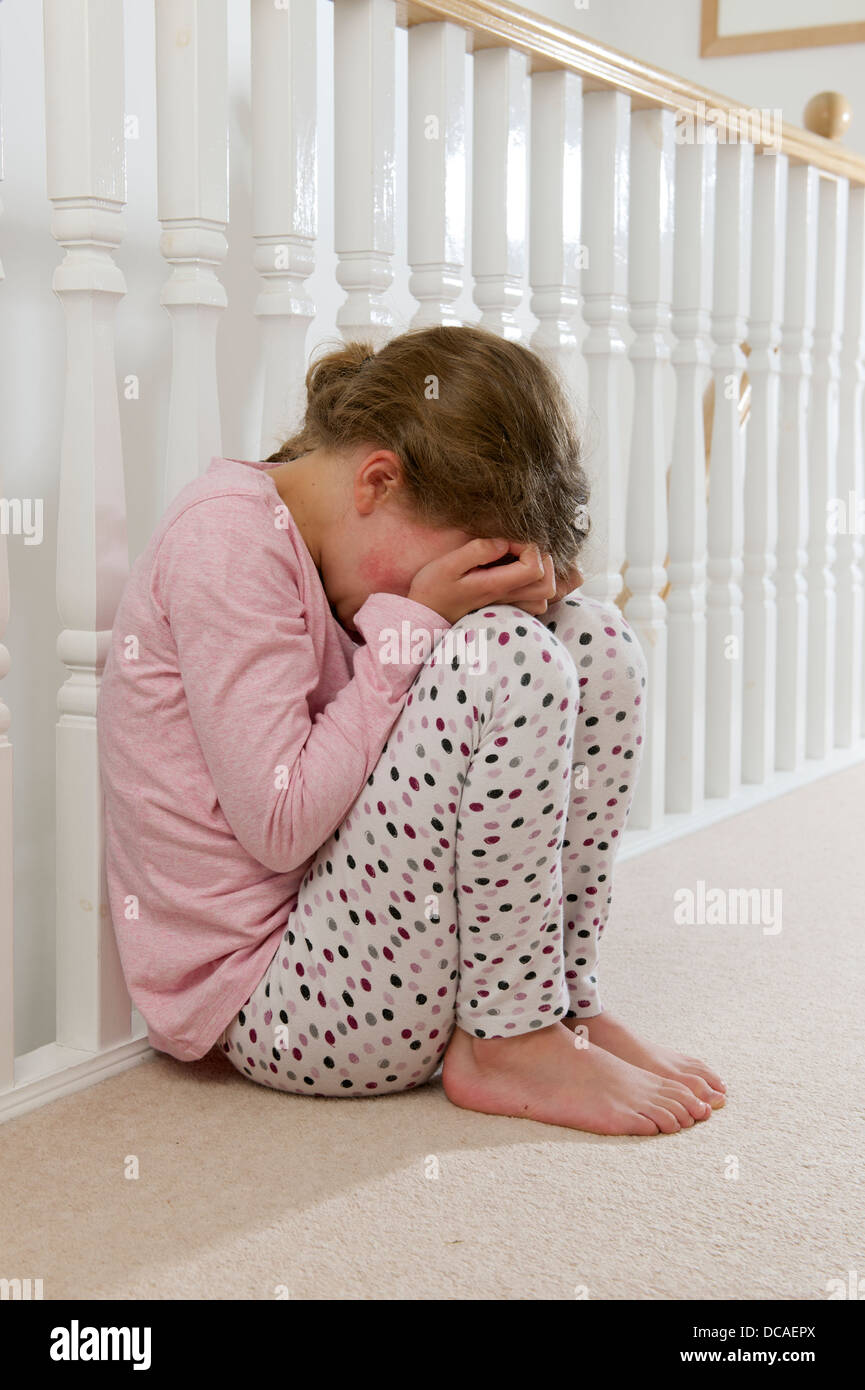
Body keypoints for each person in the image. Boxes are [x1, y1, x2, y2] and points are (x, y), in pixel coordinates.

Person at [97, 323, 726, 1135]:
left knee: (592, 640)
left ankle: (556, 1004)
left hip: (376, 952)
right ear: (377, 481)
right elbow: (281, 826)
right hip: (273, 999)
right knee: (502, 655)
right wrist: (416, 620)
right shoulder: (225, 543)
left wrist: (504, 592)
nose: (438, 595)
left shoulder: (345, 536)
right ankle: (508, 1045)